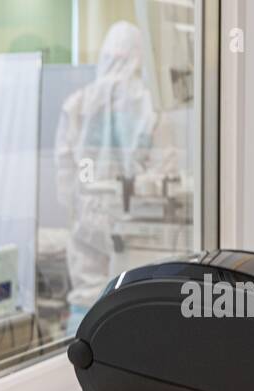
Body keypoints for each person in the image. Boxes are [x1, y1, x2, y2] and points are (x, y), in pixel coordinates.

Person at [55, 21, 174, 332]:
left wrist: (84, 205)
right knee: (130, 308)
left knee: (86, 304)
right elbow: (167, 175)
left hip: (87, 223)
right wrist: (129, 193)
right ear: (140, 58)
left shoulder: (77, 104)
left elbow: (64, 177)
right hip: (134, 228)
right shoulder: (149, 107)